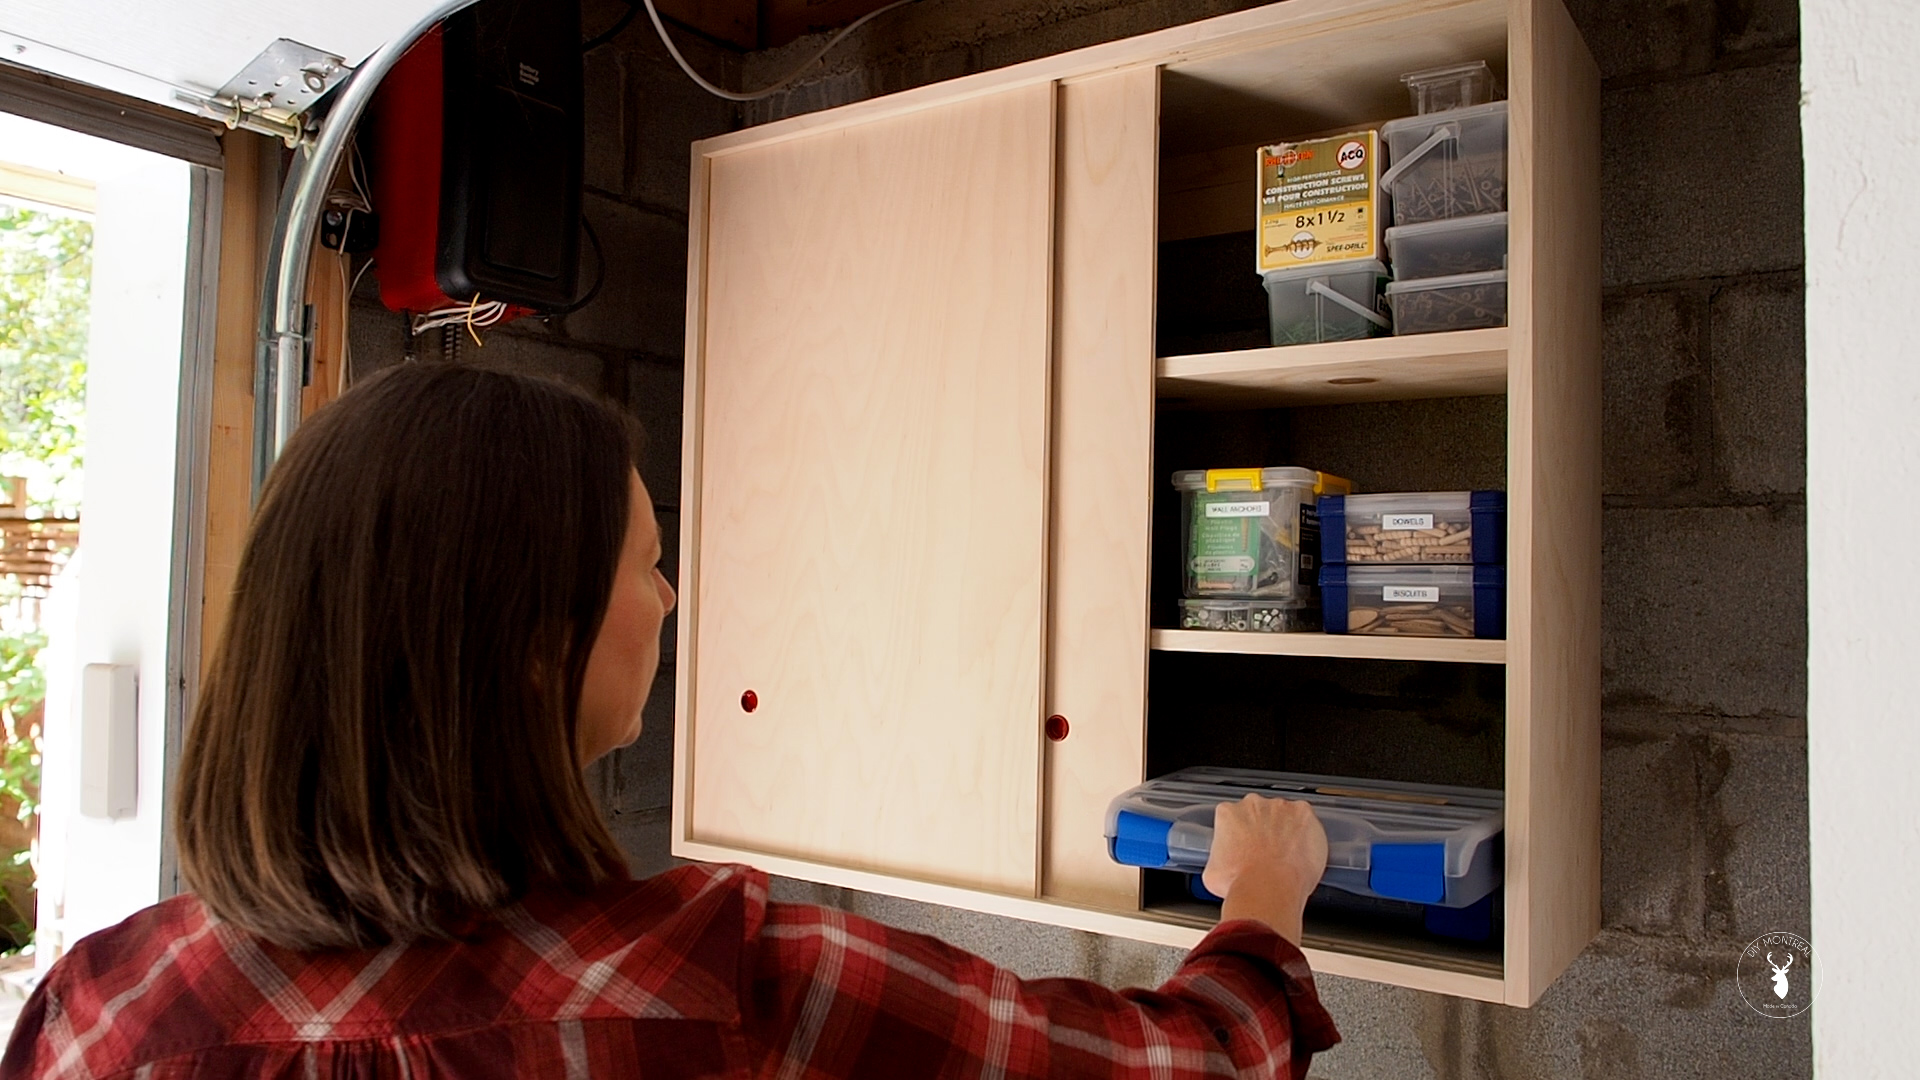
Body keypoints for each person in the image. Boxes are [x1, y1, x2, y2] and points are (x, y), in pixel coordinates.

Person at [0, 363, 1338, 1078]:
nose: (674, 595)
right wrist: (1260, 909)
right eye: (647, 560)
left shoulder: (96, 1010)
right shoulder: (740, 994)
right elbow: (1191, 1070)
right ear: (533, 653)